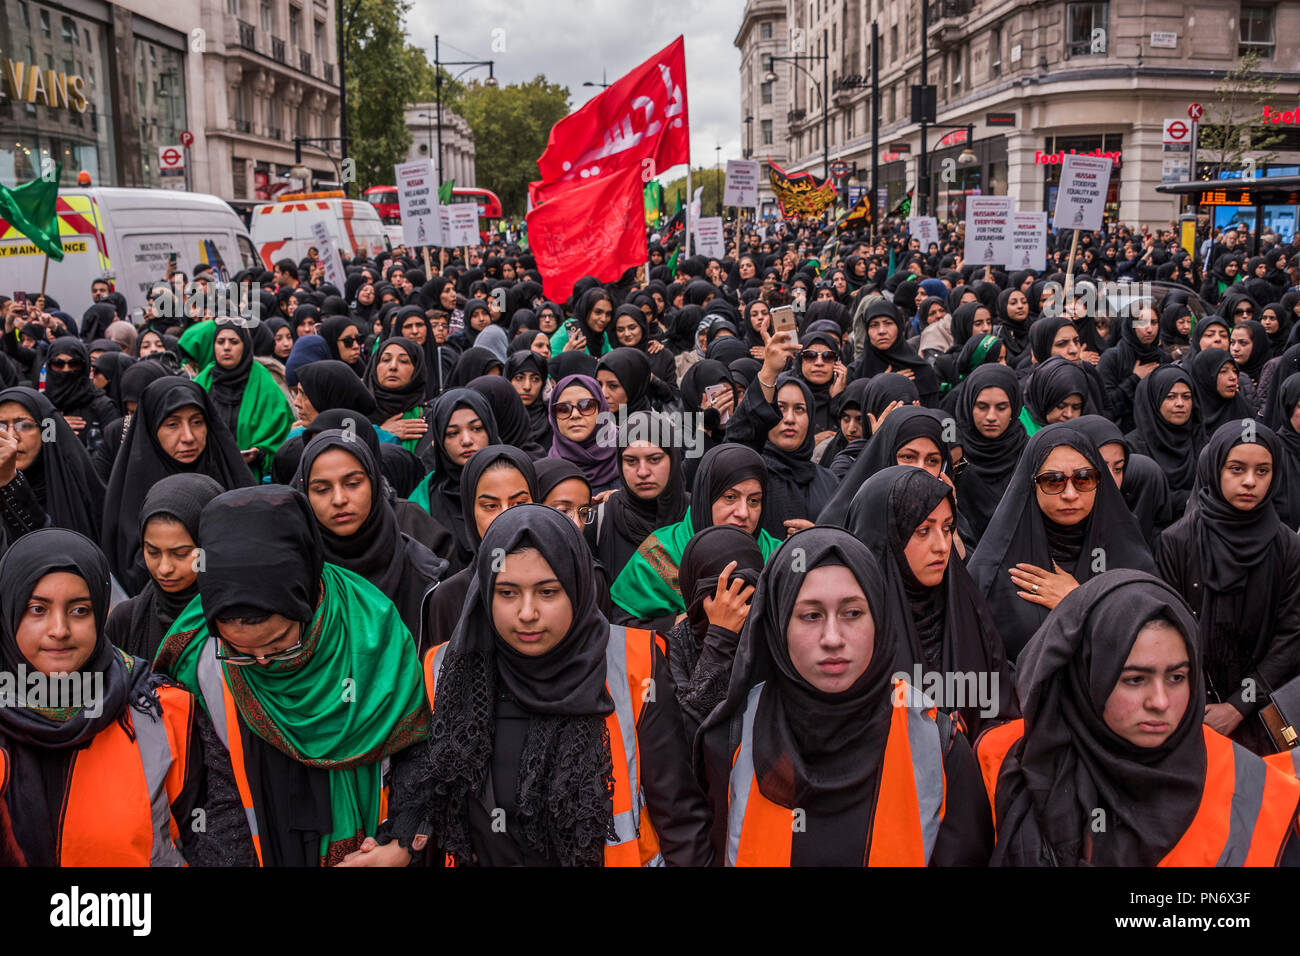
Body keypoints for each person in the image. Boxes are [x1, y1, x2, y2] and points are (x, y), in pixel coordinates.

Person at [396, 504, 711, 866]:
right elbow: (427, 788)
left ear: (577, 588)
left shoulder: (635, 664)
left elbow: (680, 819)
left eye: (547, 592)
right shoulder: (447, 672)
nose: (527, 613)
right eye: (508, 593)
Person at [154, 485, 431, 866]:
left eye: (281, 643)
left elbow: (416, 749)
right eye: (241, 652)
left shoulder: (370, 632)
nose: (264, 662)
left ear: (307, 599)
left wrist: (398, 843)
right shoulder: (194, 657)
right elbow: (203, 791)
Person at [695, 527, 993, 866]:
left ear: (879, 619)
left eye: (852, 613)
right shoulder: (730, 738)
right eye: (810, 615)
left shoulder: (938, 743)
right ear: (778, 626)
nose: (833, 638)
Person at [977, 570, 1300, 866]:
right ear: (1086, 677)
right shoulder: (999, 758)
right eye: (1134, 679)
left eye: (1176, 677)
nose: (1159, 702)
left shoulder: (1255, 791)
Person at [0, 529, 255, 866]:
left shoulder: (161, 710)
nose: (59, 629)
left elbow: (213, 831)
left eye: (79, 611)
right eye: (37, 609)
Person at [1155, 422, 1300, 754]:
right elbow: (1166, 631)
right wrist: (1197, 706)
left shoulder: (1286, 547)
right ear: (1214, 468)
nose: (1250, 481)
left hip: (1264, 709)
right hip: (1189, 707)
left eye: (1262, 471)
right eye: (1237, 469)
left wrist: (1239, 705)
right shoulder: (1178, 542)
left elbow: (1291, 634)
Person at [848, 466, 1016, 740]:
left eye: (948, 528)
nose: (942, 545)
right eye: (923, 530)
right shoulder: (850, 633)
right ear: (886, 535)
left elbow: (997, 712)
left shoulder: (967, 609)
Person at [968, 423, 1156, 663]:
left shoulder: (1126, 554)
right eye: (1053, 481)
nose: (1070, 494)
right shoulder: (993, 571)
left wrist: (1078, 602)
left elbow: (1152, 643)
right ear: (1031, 484)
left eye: (1084, 479)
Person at [293, 429, 448, 647]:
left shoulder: (424, 573)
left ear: (374, 483)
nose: (339, 499)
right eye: (322, 489)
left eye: (353, 484)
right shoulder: (296, 575)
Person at [102, 377, 254, 595]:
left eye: (197, 422)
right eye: (172, 424)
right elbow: (128, 567)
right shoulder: (131, 489)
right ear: (152, 428)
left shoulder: (230, 476)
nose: (188, 437)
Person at [610, 444, 783, 626]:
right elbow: (621, 631)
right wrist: (689, 623)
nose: (743, 512)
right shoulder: (660, 553)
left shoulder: (777, 558)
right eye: (730, 497)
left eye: (754, 501)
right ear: (705, 498)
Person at [420, 445, 537, 656]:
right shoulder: (449, 598)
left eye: (519, 502)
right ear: (470, 511)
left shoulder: (566, 581)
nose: (505, 516)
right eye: (490, 506)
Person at [104, 474, 224, 662]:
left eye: (180, 553)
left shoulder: (232, 620)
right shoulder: (126, 622)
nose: (165, 568)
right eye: (152, 552)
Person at [661, 525, 763, 737]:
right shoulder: (672, 646)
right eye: (720, 592)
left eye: (747, 591)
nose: (734, 605)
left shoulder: (775, 635)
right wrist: (720, 636)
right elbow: (681, 732)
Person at [0, 386, 105, 546]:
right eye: (1, 427)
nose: (12, 436)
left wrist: (12, 484)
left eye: (24, 425)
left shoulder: (73, 490)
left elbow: (58, 553)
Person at [409, 388, 500, 571]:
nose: (466, 440)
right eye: (452, 433)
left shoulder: (516, 481)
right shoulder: (425, 495)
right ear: (440, 440)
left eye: (476, 428)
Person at [193, 319, 294, 481]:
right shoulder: (202, 382)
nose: (226, 347)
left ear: (245, 345)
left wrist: (260, 452)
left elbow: (281, 430)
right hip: (208, 475)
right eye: (220, 342)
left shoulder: (264, 382)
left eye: (234, 342)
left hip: (251, 477)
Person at [593, 411, 688, 581]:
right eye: (631, 461)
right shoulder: (601, 519)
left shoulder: (697, 514)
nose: (643, 472)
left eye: (654, 459)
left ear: (673, 458)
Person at [758, 374, 837, 539]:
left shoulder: (829, 481)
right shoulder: (751, 473)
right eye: (780, 408)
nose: (789, 419)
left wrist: (817, 537)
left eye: (799, 409)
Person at [1125, 365, 1204, 515]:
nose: (1180, 403)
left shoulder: (1202, 441)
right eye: (1170, 396)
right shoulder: (1132, 448)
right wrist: (1188, 500)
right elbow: (1140, 499)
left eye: (1186, 397)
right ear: (1153, 401)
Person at [40, 336, 119, 451]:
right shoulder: (41, 404)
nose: (66, 370)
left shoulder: (103, 405)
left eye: (74, 364)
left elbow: (114, 452)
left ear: (85, 366)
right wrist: (54, 427)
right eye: (58, 364)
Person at [547, 373, 619, 493]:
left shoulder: (630, 456)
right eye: (563, 409)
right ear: (554, 416)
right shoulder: (546, 473)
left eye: (586, 406)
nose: (575, 415)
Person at [365, 337, 429, 452]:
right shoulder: (356, 412)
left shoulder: (428, 418)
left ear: (416, 371)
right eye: (385, 360)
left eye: (403, 361)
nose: (393, 366)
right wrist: (381, 434)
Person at [506, 349, 552, 450]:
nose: (527, 387)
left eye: (535, 379)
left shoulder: (554, 420)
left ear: (543, 383)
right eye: (519, 378)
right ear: (508, 380)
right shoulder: (499, 421)